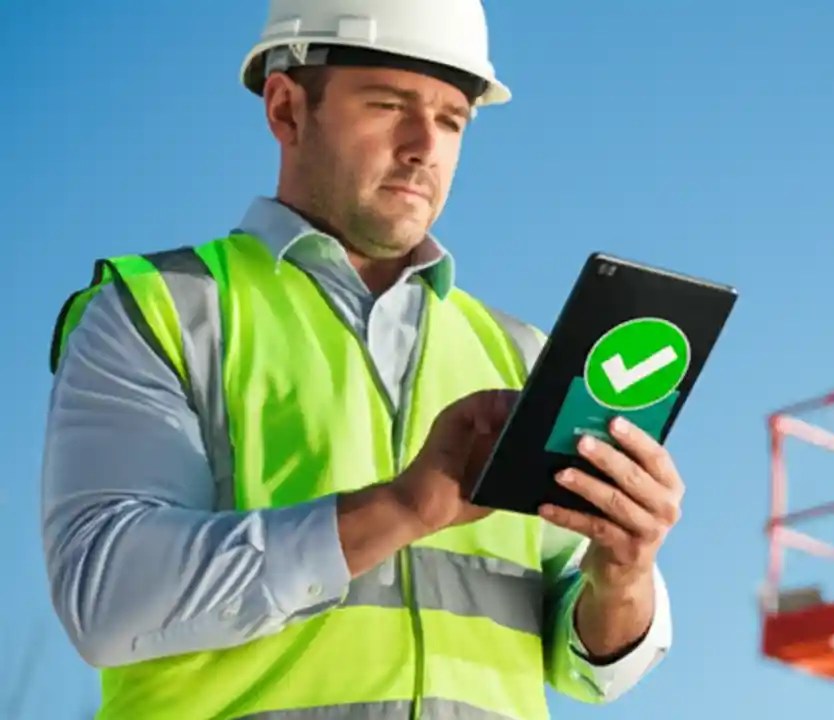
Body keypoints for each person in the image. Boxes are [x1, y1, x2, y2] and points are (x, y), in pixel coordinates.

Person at [39, 1, 680, 718]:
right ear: (286, 110)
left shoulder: (516, 352)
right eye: (388, 105)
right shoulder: (163, 310)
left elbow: (590, 670)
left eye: (450, 121)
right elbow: (109, 599)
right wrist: (400, 509)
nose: (422, 147)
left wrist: (624, 575)